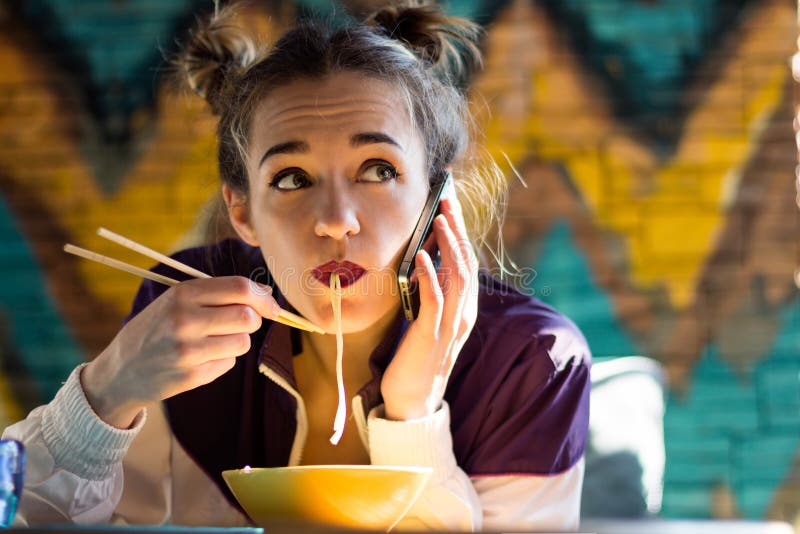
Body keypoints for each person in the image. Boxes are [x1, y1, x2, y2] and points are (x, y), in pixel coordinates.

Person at [2, 0, 591, 530]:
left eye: (378, 170)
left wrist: (414, 415)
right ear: (242, 211)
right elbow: (32, 518)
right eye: (292, 178)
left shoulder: (532, 361)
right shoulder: (185, 315)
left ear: (436, 198)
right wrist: (108, 391)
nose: (336, 220)